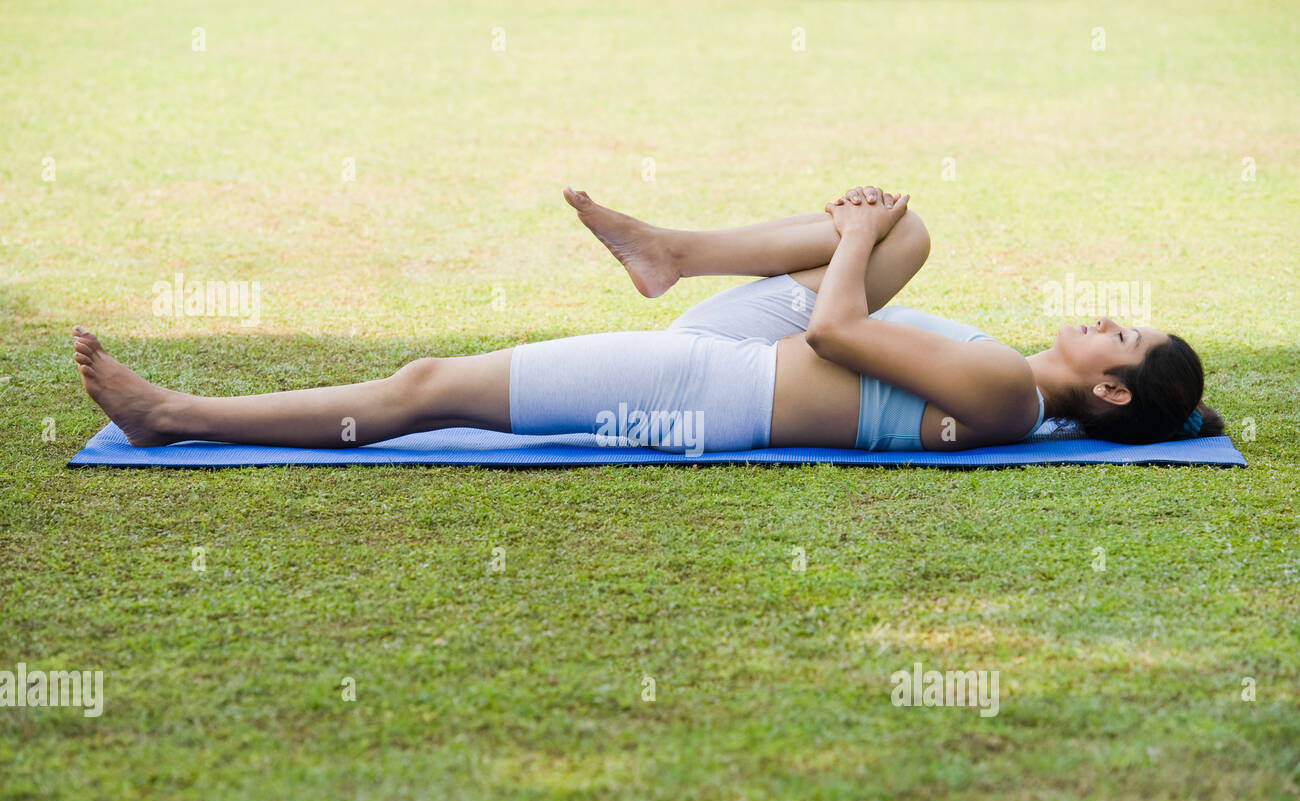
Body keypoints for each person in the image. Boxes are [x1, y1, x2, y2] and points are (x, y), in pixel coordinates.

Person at [72, 186, 1221, 452]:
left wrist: (854, 243)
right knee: (911, 226)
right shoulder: (1013, 378)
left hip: (708, 395)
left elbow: (832, 338)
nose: (1107, 319)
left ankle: (175, 414)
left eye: (1121, 335)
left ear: (1109, 388)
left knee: (431, 384)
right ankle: (666, 254)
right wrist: (876, 238)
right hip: (741, 349)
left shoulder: (1011, 401)